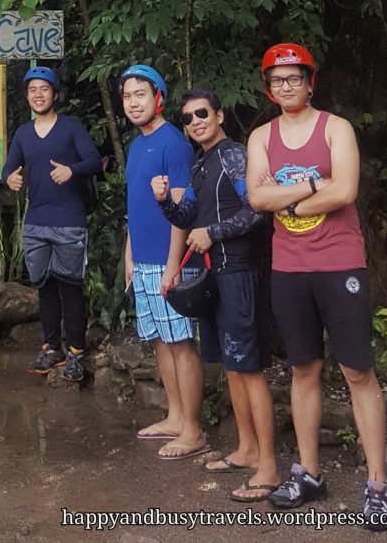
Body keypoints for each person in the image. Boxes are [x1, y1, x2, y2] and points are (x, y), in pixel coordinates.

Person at [246, 43, 387, 528]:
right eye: (277, 79)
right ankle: (309, 473)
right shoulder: (260, 137)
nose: (285, 86)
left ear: (311, 82)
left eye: (294, 78)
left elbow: (346, 190)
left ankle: (377, 485)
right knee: (303, 368)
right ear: (268, 88)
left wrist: (285, 201)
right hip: (289, 268)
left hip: (340, 263)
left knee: (357, 372)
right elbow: (255, 197)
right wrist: (315, 186)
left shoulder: (336, 128)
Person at [150, 88, 277, 501]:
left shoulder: (234, 155)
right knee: (232, 367)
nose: (195, 122)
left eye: (201, 113)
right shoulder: (203, 164)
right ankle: (246, 449)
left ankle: (267, 464)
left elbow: (258, 208)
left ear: (219, 115)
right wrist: (165, 201)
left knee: (249, 366)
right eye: (186, 118)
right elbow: (188, 218)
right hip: (214, 276)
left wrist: (214, 234)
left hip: (239, 272)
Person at [120, 64, 207, 460]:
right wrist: (129, 255)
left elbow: (183, 208)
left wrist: (173, 265)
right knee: (160, 341)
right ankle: (174, 417)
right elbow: (135, 206)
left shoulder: (174, 142)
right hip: (144, 260)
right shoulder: (138, 145)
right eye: (127, 95)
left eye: (140, 93)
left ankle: (193, 430)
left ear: (158, 98)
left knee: (181, 344)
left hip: (171, 260)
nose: (133, 102)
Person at [0, 66, 101, 382]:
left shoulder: (71, 128)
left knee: (71, 287)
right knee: (44, 288)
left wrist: (72, 170)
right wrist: (10, 178)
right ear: (27, 96)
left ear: (55, 94)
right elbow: (8, 168)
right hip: (36, 222)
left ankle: (75, 352)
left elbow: (94, 161)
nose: (38, 94)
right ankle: (50, 347)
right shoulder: (23, 133)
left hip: (69, 221)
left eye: (44, 89)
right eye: (32, 90)